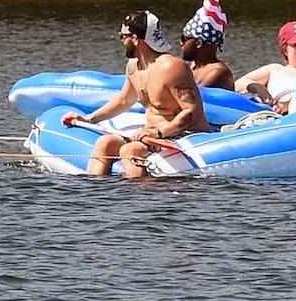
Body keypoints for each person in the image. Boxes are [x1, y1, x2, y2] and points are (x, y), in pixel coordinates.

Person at [62, 9, 214, 178]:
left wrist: (159, 133)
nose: (121, 40)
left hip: (184, 136)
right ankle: (94, 199)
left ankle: (138, 202)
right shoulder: (134, 67)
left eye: (122, 36)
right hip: (153, 137)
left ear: (135, 39)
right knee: (105, 143)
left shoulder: (171, 67)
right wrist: (88, 119)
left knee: (130, 149)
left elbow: (191, 112)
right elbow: (122, 101)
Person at [237, 20, 296, 113]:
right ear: (285, 50)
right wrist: (257, 87)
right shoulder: (275, 70)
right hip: (279, 118)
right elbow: (238, 84)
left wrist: (288, 104)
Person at [178, 0, 233, 88]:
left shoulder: (218, 73)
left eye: (184, 38)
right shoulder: (193, 66)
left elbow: (191, 99)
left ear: (198, 42)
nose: (180, 43)